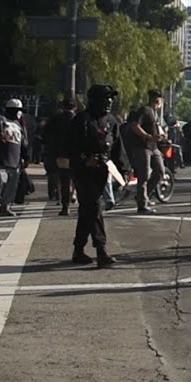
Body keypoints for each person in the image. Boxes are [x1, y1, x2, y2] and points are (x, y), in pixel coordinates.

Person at [67, 84, 128, 267]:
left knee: (87, 211)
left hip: (103, 170)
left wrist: (124, 170)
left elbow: (118, 148)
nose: (109, 103)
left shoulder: (111, 121)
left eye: (111, 100)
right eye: (105, 99)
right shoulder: (81, 120)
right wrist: (85, 159)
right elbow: (70, 147)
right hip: (83, 171)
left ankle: (78, 250)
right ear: (93, 100)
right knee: (94, 207)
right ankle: (101, 250)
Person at [125, 89, 166, 214]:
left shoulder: (155, 113)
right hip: (143, 147)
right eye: (159, 99)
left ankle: (143, 196)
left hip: (154, 147)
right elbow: (135, 126)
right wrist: (148, 136)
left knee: (160, 171)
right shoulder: (145, 110)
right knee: (144, 176)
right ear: (156, 100)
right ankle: (142, 205)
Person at [44, 98, 78, 216]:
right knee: (78, 179)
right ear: (75, 108)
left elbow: (47, 135)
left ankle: (65, 206)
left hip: (61, 154)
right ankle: (76, 199)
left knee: (64, 180)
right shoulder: (79, 119)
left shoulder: (55, 119)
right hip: (77, 154)